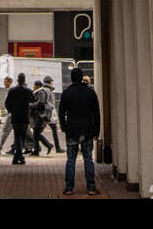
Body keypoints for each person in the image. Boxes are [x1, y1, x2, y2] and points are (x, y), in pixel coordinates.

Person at [59, 67, 101, 195]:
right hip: (87, 129)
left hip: (72, 129)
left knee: (71, 159)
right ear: (82, 77)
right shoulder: (90, 93)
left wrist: (64, 126)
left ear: (72, 78)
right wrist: (96, 130)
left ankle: (69, 187)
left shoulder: (67, 93)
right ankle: (91, 187)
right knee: (88, 158)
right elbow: (96, 113)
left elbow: (61, 112)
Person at [5, 71, 35, 164]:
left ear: (17, 80)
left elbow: (7, 103)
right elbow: (33, 102)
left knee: (17, 136)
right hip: (24, 117)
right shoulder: (28, 91)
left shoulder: (12, 90)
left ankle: (17, 157)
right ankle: (19, 157)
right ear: (24, 80)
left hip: (15, 116)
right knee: (21, 137)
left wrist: (11, 111)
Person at [29, 80, 53, 156]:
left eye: (34, 85)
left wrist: (31, 105)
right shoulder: (38, 92)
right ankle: (45, 147)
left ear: (38, 86)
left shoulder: (41, 92)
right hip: (38, 116)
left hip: (40, 116)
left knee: (36, 133)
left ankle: (38, 150)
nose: (33, 87)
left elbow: (41, 103)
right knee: (36, 133)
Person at [0, 75, 16, 155]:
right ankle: (14, 148)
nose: (4, 83)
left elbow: (10, 103)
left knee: (5, 130)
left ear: (9, 82)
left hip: (11, 114)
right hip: (13, 114)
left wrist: (10, 111)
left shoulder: (11, 90)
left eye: (5, 82)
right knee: (23, 132)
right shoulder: (10, 90)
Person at [42, 75, 62, 152]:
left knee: (38, 132)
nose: (52, 83)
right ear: (50, 82)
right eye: (52, 81)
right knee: (38, 132)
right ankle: (55, 147)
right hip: (48, 113)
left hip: (48, 113)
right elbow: (47, 102)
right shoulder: (47, 90)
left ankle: (53, 146)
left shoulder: (46, 89)